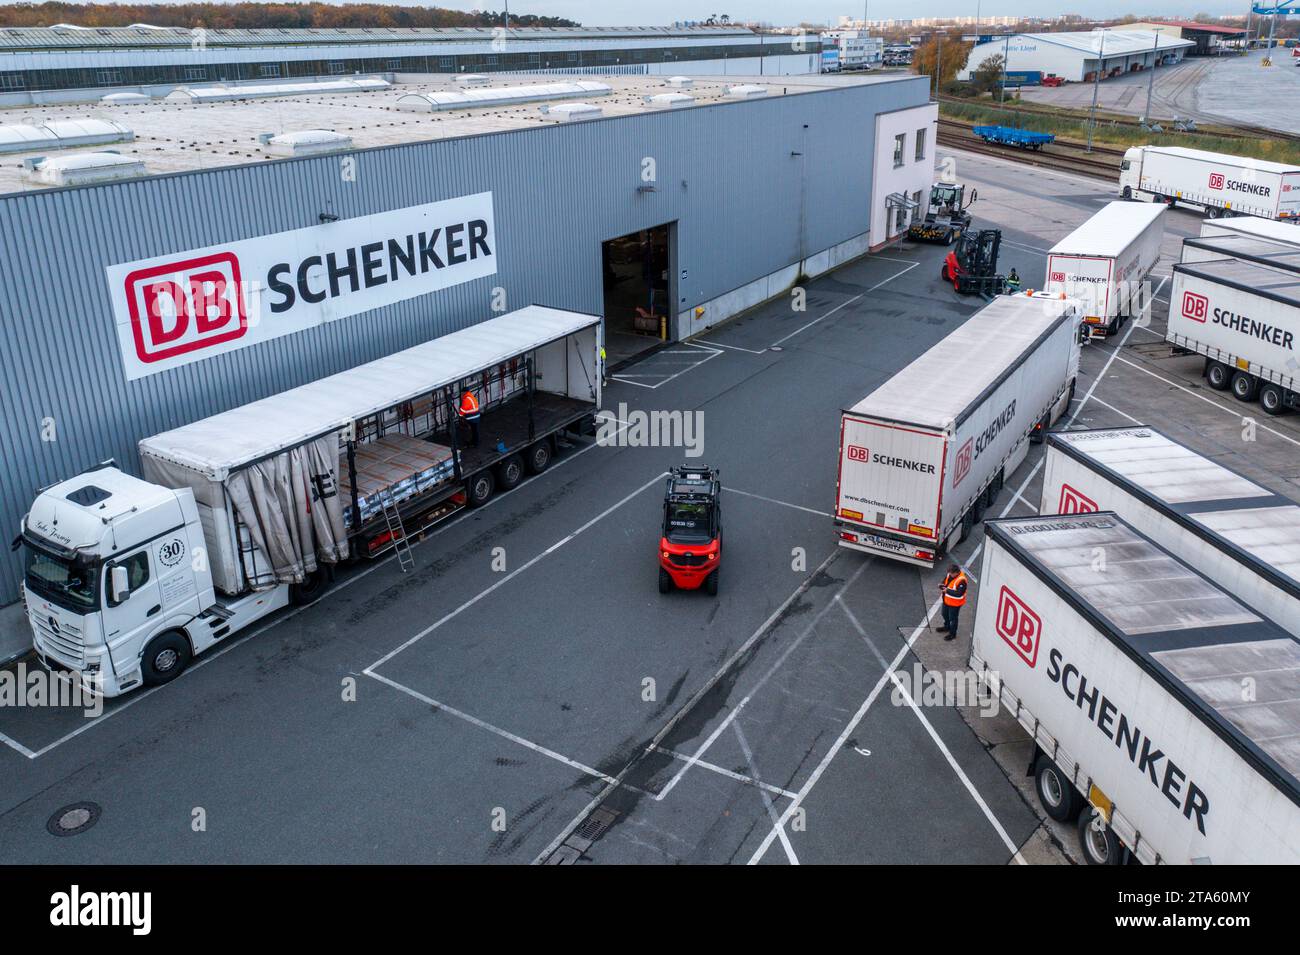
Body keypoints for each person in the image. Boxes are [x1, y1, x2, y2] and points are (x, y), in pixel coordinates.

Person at [937, 564, 968, 641]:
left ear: (956, 573)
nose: (949, 575)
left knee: (953, 619)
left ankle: (952, 634)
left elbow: (959, 593)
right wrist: (942, 584)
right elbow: (945, 581)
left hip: (955, 604)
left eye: (951, 574)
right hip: (947, 600)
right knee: (944, 614)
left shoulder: (962, 580)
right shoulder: (950, 574)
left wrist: (947, 590)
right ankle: (947, 627)